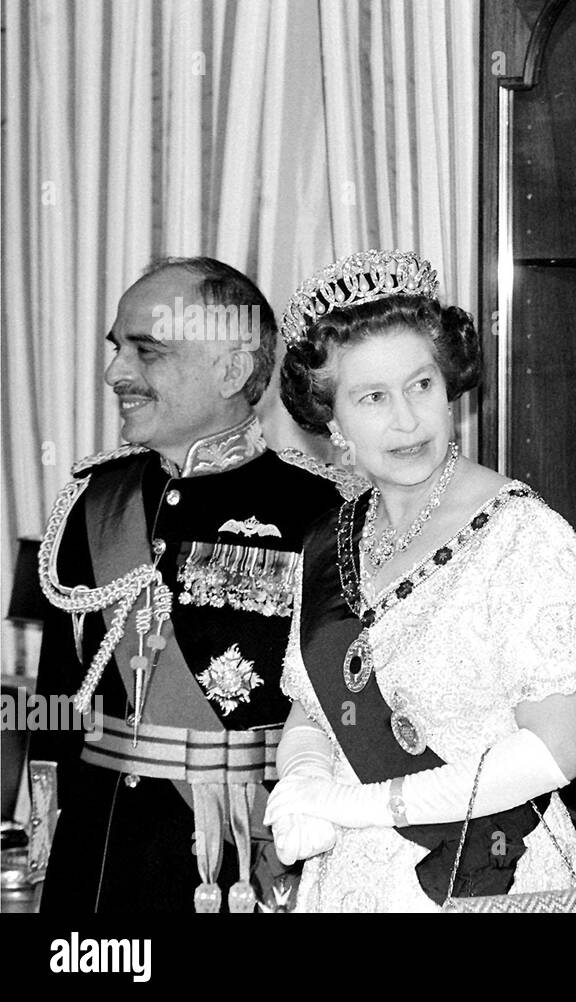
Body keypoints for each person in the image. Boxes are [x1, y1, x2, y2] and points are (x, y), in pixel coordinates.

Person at [266, 249, 576, 912]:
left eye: (421, 386)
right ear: (332, 422)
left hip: (493, 874)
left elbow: (556, 752)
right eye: (373, 397)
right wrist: (304, 780)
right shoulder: (329, 540)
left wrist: (367, 803)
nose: (407, 419)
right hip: (350, 876)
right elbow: (311, 707)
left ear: (450, 388)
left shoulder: (523, 536)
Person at [30, 257, 351, 913]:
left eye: (147, 351)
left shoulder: (321, 517)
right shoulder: (90, 502)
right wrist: (40, 840)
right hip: (93, 870)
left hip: (231, 871)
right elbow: (56, 706)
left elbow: (342, 721)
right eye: (119, 348)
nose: (116, 372)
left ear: (232, 370)